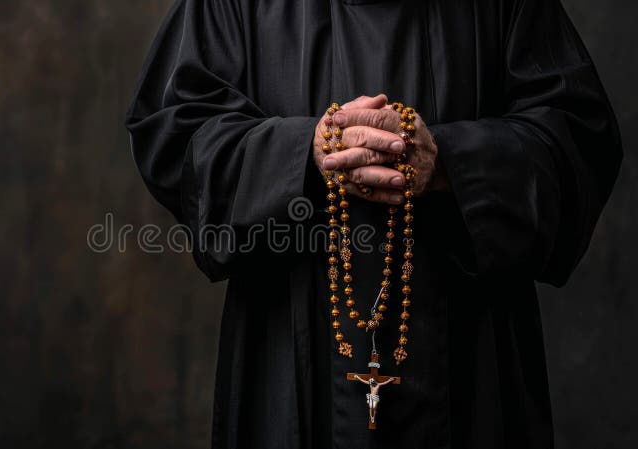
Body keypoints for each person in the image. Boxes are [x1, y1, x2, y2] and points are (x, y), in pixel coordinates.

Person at [125, 1, 622, 448]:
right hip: (288, 356)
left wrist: (449, 162)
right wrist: (304, 152)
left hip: (471, 364)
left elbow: (579, 143)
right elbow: (174, 138)